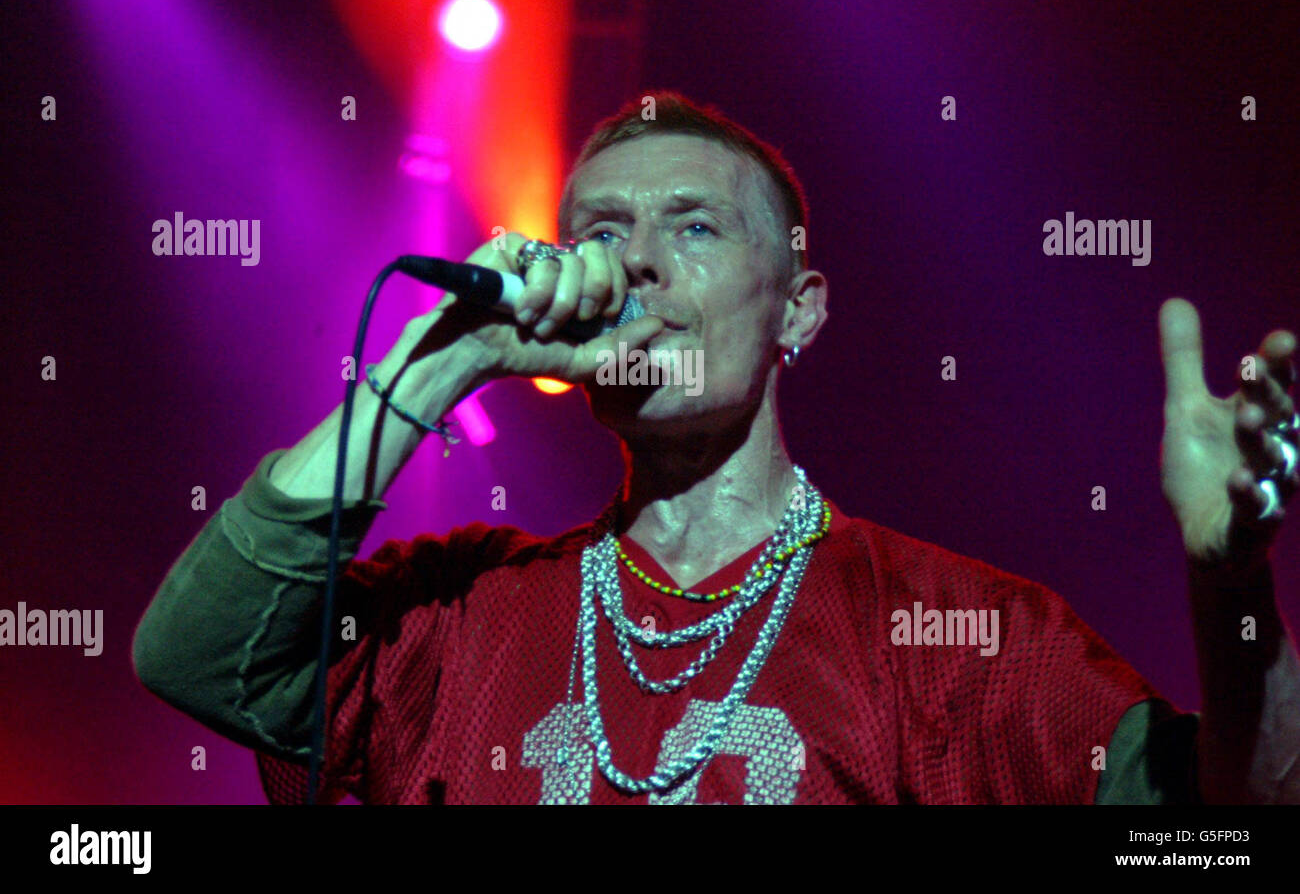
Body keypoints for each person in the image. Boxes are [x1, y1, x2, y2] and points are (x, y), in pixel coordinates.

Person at [132, 92, 1300, 804]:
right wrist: (438, 363)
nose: (637, 262)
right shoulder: (461, 619)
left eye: (693, 227)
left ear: (798, 309)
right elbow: (195, 655)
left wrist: (1230, 581)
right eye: (602, 231)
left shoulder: (957, 635)